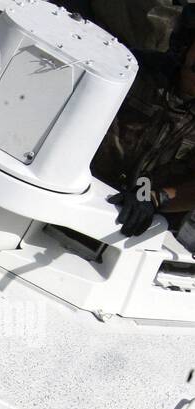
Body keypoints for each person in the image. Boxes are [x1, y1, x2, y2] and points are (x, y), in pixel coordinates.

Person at [94, 3, 195, 236]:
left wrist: (154, 199)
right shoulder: (132, 68)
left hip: (142, 227)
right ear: (185, 44)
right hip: (80, 192)